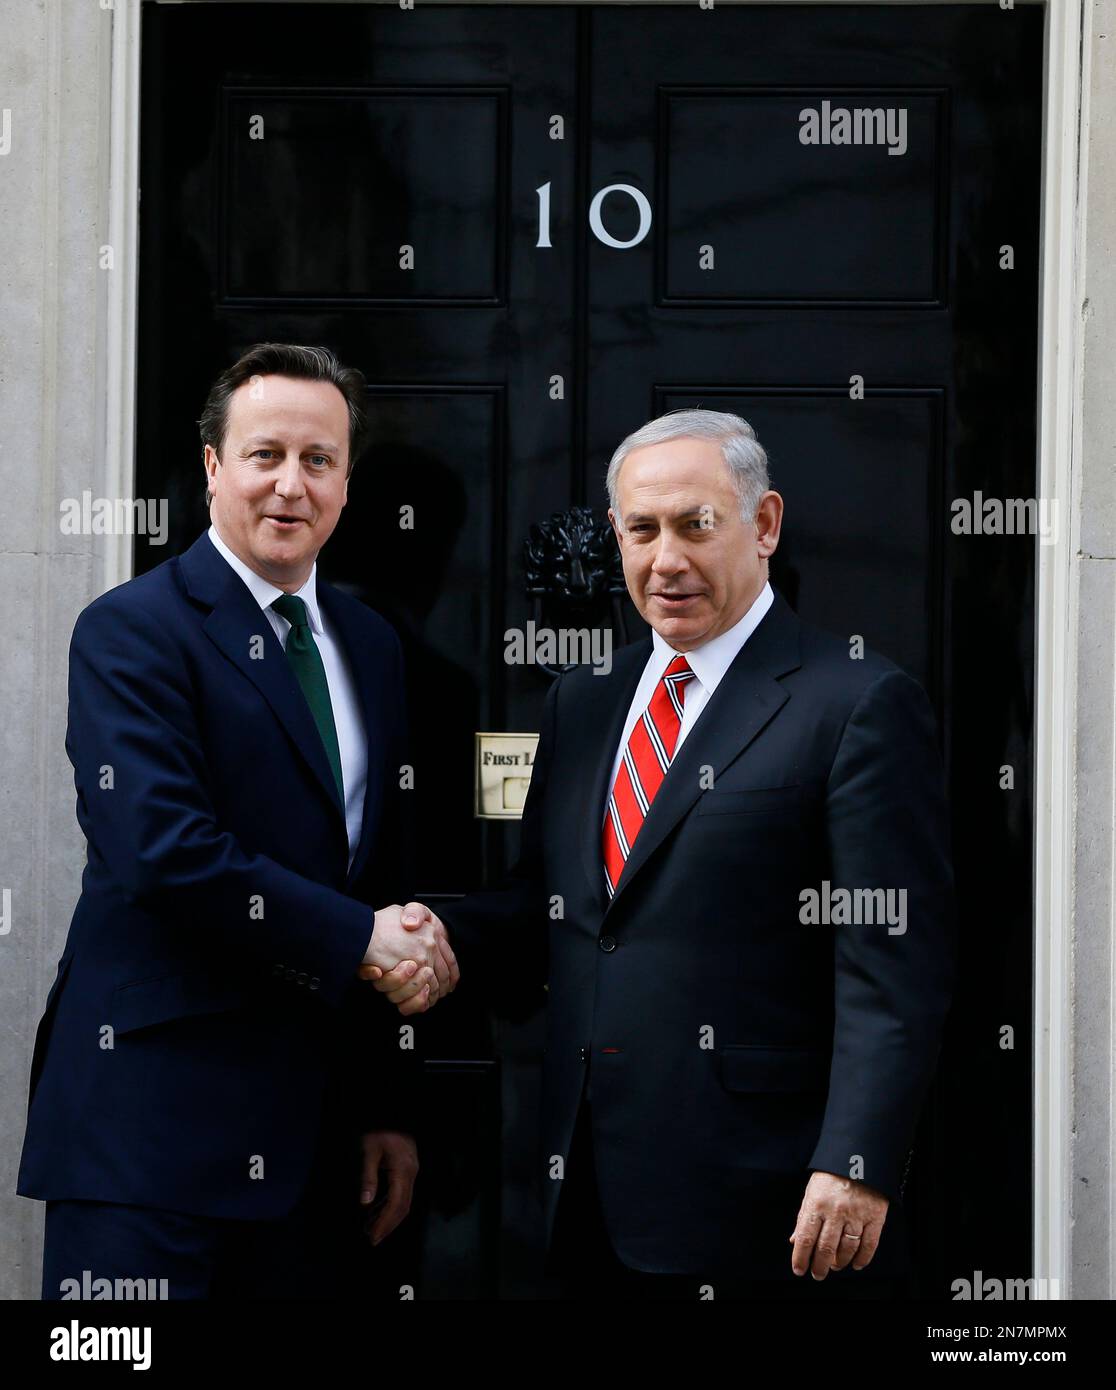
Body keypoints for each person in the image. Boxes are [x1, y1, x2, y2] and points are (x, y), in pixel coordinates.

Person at [374, 408, 956, 1299]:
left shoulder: (857, 702)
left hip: (771, 1202)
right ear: (617, 535)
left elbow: (893, 961)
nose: (666, 559)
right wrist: (430, 935)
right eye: (642, 530)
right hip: (585, 1191)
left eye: (696, 525)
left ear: (762, 525)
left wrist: (859, 1158)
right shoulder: (585, 699)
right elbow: (553, 911)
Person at [17, 342, 457, 1300]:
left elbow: (374, 875)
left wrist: (385, 1102)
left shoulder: (373, 646)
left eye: (319, 461)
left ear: (346, 484)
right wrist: (365, 940)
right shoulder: (132, 628)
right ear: (213, 466)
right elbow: (162, 851)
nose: (290, 486)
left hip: (312, 1152)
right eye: (264, 456)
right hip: (150, 1144)